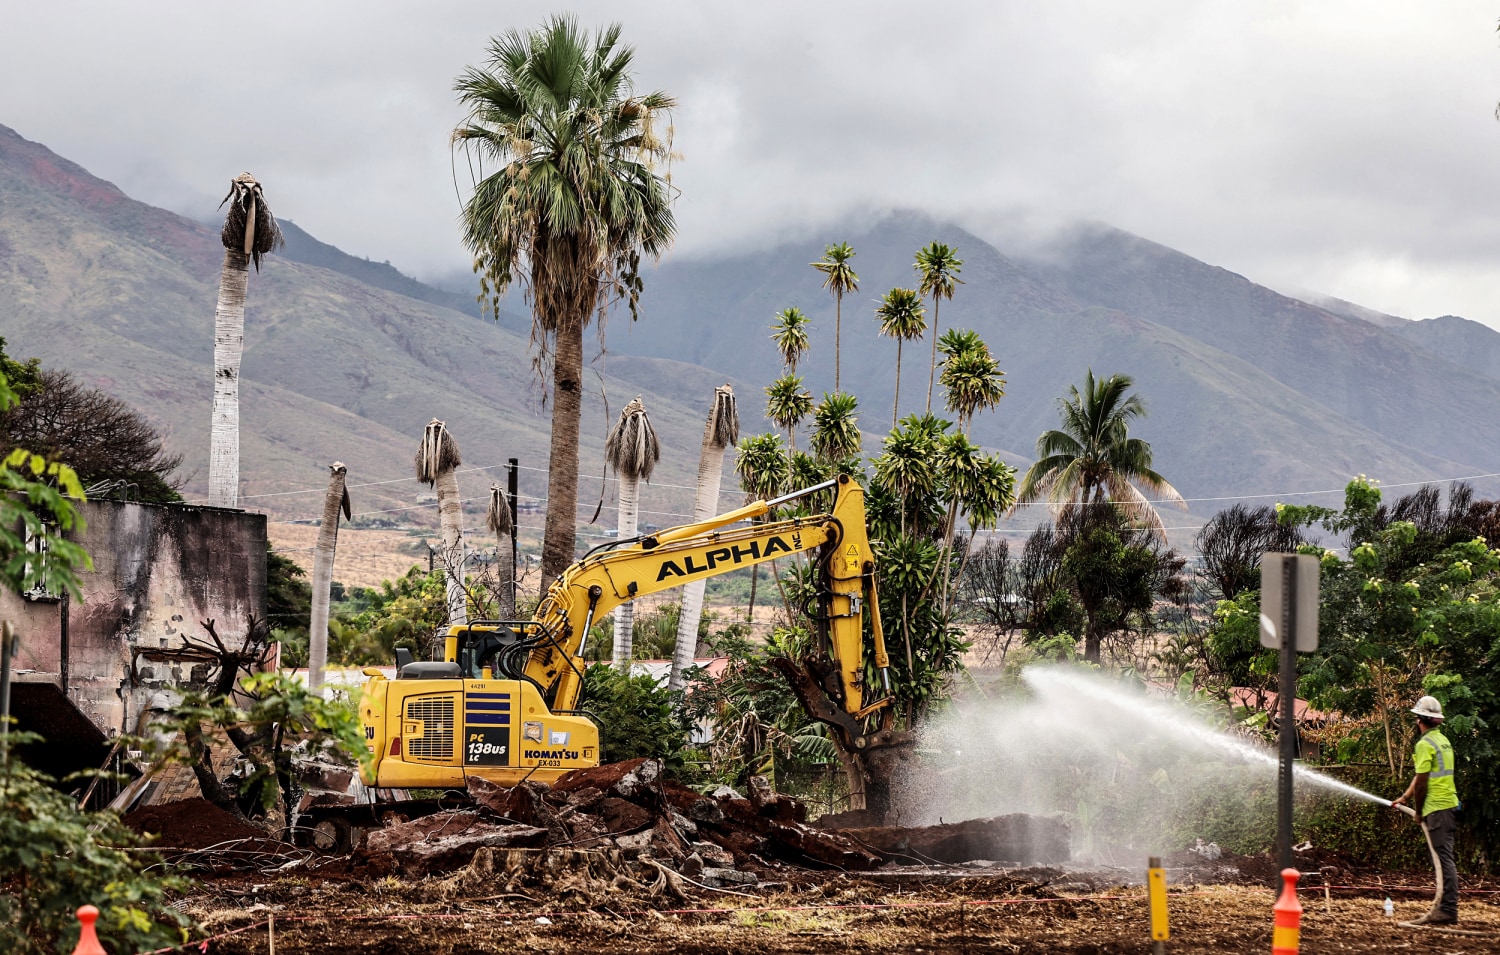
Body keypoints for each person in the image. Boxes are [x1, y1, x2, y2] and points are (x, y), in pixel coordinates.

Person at [1391, 695, 1459, 925]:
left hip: (1436, 808)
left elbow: (1422, 783)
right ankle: (1446, 908)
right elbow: (1421, 775)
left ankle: (1447, 909)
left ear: (1420, 720)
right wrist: (1404, 798)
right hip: (1448, 805)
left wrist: (1418, 812)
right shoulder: (1442, 741)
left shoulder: (1424, 744)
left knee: (1443, 859)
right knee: (1443, 857)